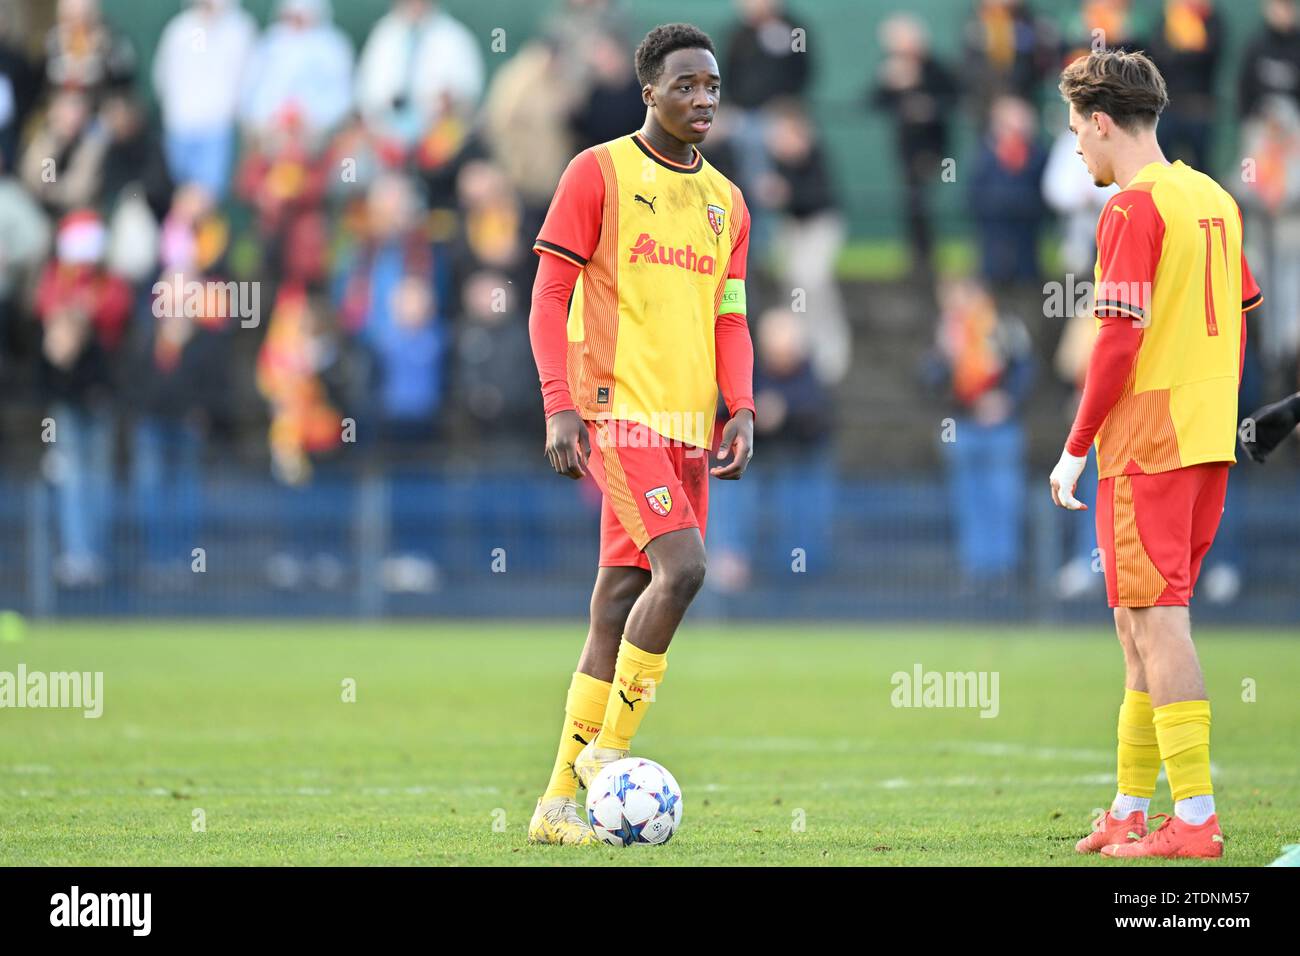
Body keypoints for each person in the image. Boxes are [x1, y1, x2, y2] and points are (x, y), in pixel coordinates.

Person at [526, 23, 754, 844]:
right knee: (684, 569)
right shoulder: (598, 172)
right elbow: (550, 294)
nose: (704, 100)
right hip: (619, 414)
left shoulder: (728, 201)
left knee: (619, 598)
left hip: (691, 429)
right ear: (649, 90)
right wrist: (559, 402)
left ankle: (555, 806)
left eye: (714, 87)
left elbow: (731, 318)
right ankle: (606, 756)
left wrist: (744, 406)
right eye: (687, 85)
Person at [1049, 50, 1263, 859]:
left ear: (1102, 122)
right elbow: (1243, 311)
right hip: (1205, 438)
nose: (1076, 149)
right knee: (1140, 627)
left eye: (1076, 131)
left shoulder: (1132, 210)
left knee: (1160, 626)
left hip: (1148, 442)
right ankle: (1130, 808)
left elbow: (1114, 341)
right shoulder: (1212, 195)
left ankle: (1197, 822)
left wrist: (1075, 449)